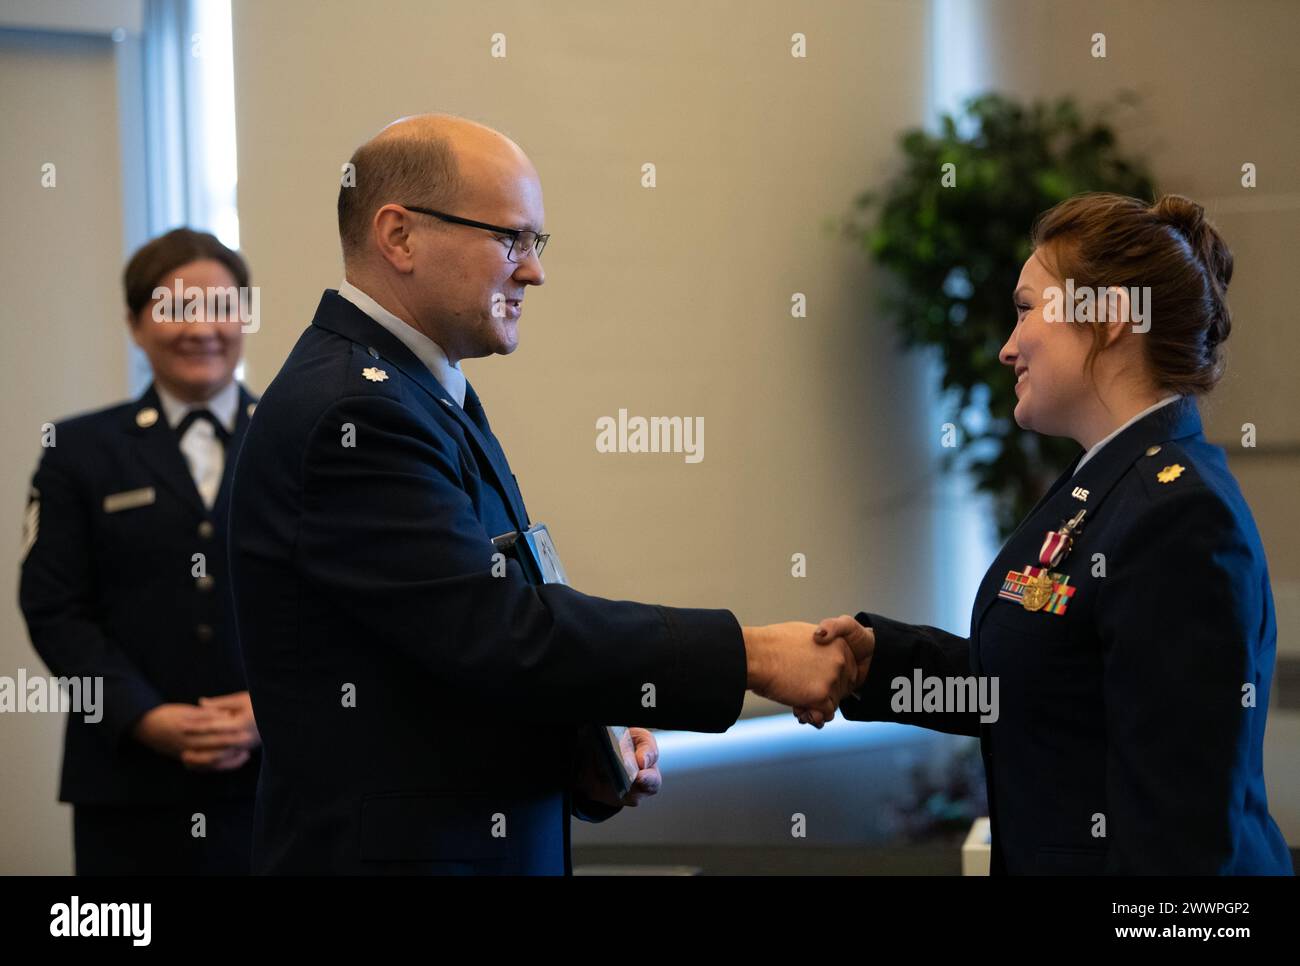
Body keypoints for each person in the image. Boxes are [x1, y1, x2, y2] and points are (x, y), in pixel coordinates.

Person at [228, 114, 857, 875]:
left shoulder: (415, 388)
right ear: (399, 236)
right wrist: (750, 654)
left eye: (537, 243)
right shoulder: (354, 411)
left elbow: (450, 657)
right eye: (510, 239)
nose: (534, 271)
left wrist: (583, 750)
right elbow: (497, 630)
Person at [809, 193, 1293, 875]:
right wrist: (874, 661)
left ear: (1113, 317)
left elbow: (1180, 848)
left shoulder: (1177, 516)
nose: (1007, 348)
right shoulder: (1100, 486)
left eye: (1028, 307)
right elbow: (1039, 685)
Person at [19, 228, 263, 874]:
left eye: (218, 306)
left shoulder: (301, 440)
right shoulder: (77, 452)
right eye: (173, 307)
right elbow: (54, 609)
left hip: (279, 782)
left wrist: (272, 707)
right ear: (134, 323)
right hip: (128, 785)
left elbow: (340, 602)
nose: (199, 329)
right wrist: (142, 715)